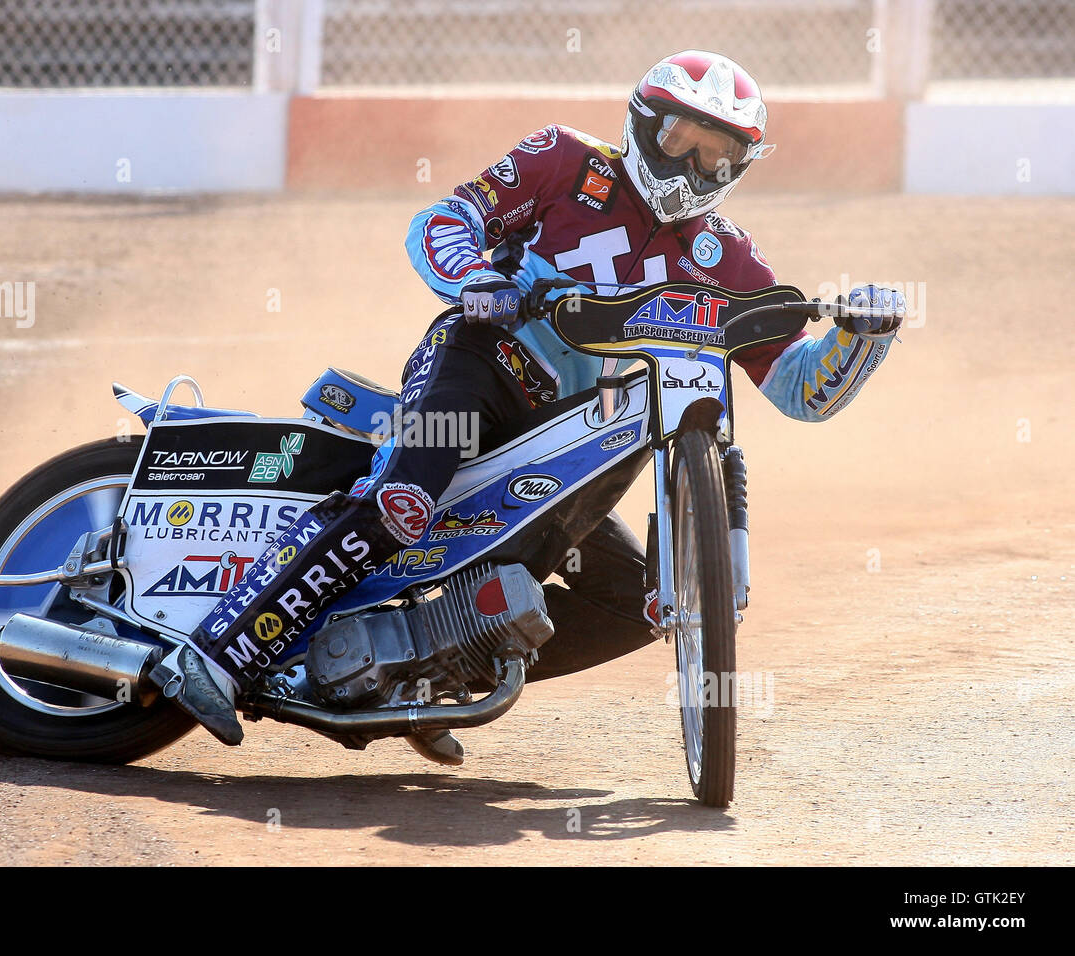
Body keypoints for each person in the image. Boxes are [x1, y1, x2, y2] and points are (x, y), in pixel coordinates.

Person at [149, 50, 906, 762]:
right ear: (645, 123)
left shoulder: (731, 260)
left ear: (739, 166)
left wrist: (863, 338)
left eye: (716, 154)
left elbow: (800, 390)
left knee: (632, 604)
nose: (692, 165)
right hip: (482, 364)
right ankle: (218, 650)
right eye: (680, 138)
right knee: (404, 499)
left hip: (581, 446)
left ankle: (430, 679)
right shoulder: (562, 159)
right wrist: (477, 278)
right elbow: (442, 222)